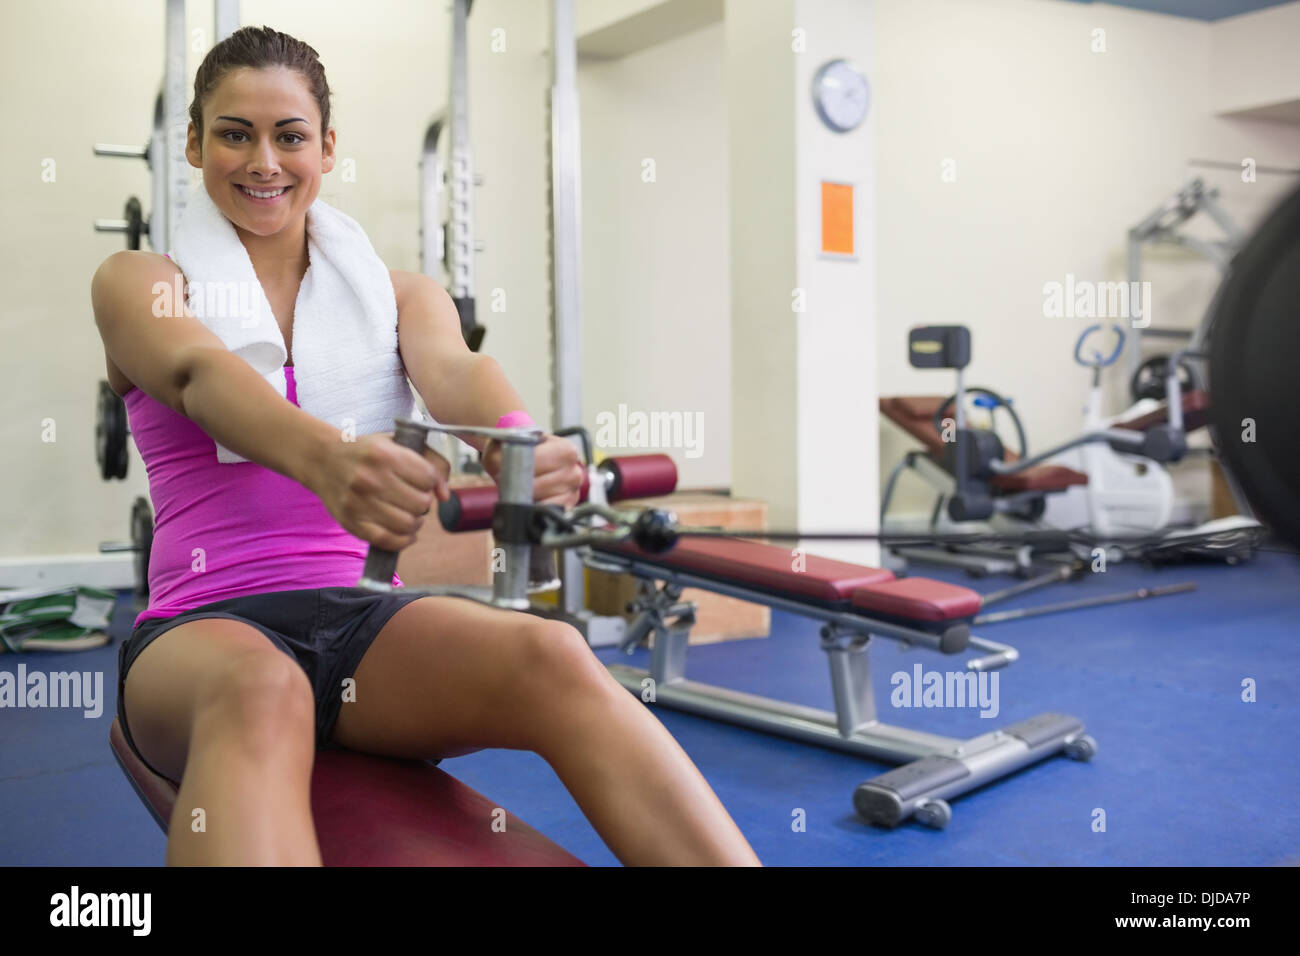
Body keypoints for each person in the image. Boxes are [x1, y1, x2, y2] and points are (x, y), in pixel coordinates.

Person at [91, 25, 760, 867]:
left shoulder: (398, 297)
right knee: (262, 687)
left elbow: (456, 370)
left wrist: (524, 447)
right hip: (201, 629)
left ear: (326, 148)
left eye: (289, 136)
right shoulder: (141, 284)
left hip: (363, 627)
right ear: (194, 143)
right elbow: (194, 374)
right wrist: (327, 458)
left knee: (553, 652)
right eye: (235, 133)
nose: (264, 160)